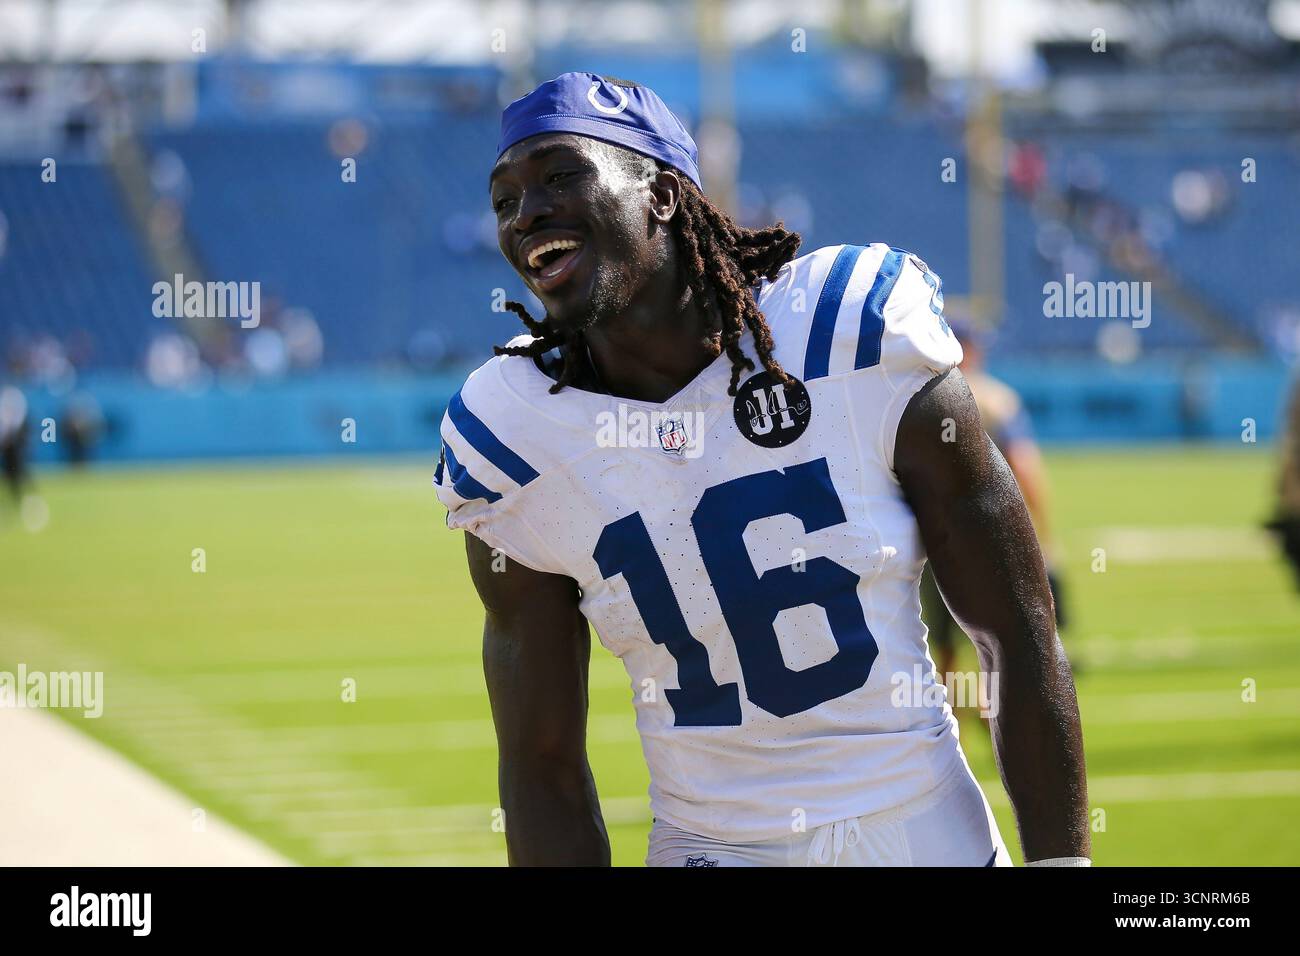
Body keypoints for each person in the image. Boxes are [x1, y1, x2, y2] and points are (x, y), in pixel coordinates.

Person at [434, 73, 1089, 867]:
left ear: (666, 196)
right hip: (713, 848)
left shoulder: (848, 331)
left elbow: (1018, 632)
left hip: (924, 836)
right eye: (504, 199)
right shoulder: (516, 433)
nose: (526, 211)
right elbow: (542, 769)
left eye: (562, 176)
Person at [919, 320, 1068, 697]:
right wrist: (1044, 532)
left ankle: (952, 721)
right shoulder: (995, 399)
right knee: (994, 639)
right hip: (989, 531)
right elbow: (1023, 466)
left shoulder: (914, 395)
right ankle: (994, 717)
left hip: (927, 533)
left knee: (940, 642)